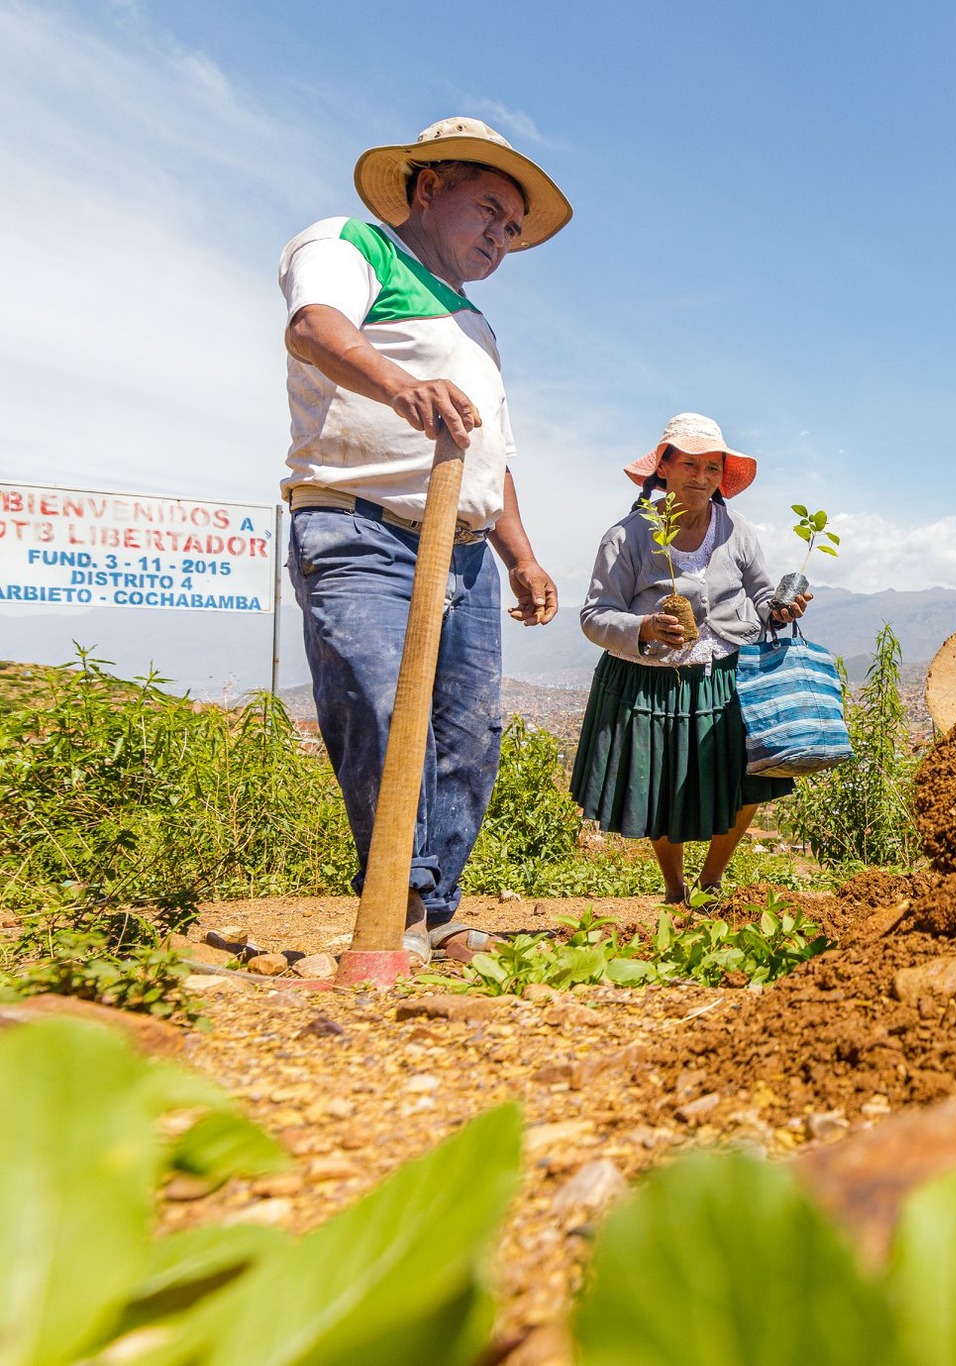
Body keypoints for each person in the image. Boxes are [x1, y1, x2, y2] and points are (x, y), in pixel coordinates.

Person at [280, 117, 570, 965]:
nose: (501, 238)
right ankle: (392, 906)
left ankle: (438, 909)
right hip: (363, 525)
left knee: (466, 731)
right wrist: (403, 387)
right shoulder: (352, 245)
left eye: (513, 229)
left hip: (467, 547)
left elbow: (489, 453)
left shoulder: (478, 326)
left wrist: (521, 553)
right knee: (377, 706)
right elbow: (315, 327)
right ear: (428, 185)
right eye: (489, 210)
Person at [571, 414, 811, 904]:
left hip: (725, 675)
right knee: (663, 787)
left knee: (749, 779)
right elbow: (595, 615)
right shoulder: (628, 536)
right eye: (690, 465)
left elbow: (763, 594)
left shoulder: (737, 531)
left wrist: (782, 607)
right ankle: (676, 888)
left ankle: (712, 880)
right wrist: (643, 627)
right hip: (651, 679)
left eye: (712, 468)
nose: (701, 478)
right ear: (664, 468)